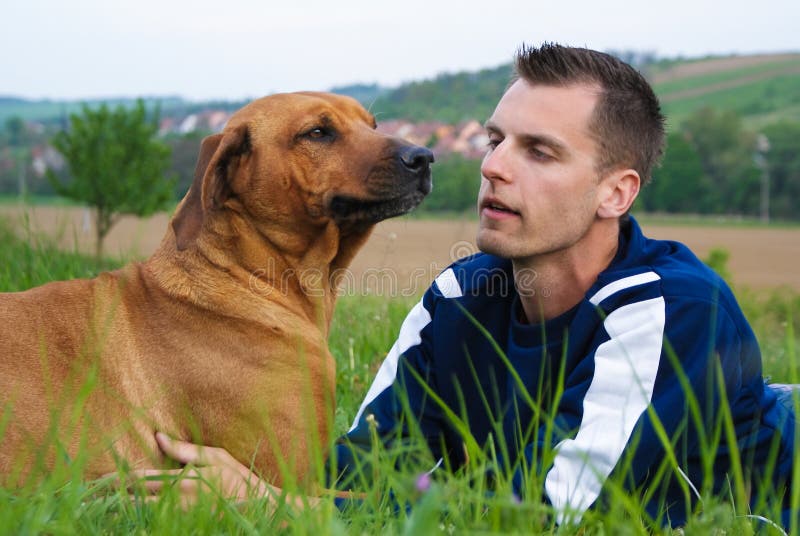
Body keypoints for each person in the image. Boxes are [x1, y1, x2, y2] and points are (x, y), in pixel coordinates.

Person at [127, 44, 796, 528]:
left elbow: (549, 518)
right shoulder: (458, 300)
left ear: (615, 192)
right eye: (495, 139)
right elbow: (358, 482)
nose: (493, 166)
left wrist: (268, 506)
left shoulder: (671, 311)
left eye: (538, 152)